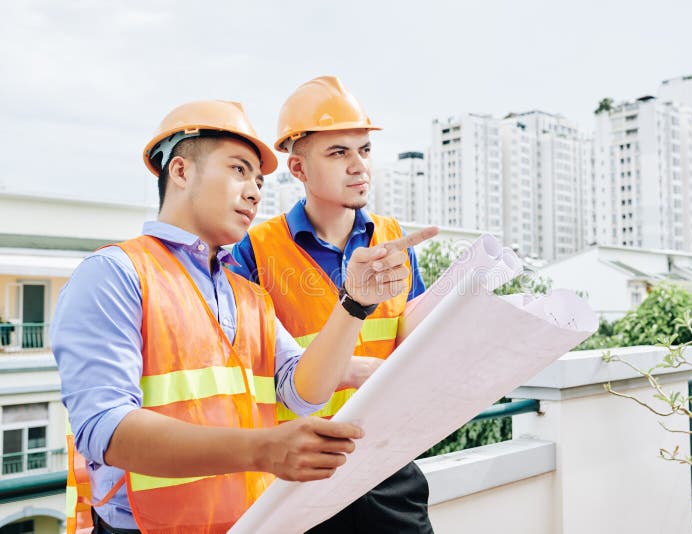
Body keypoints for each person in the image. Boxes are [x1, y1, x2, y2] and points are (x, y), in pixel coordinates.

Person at [53, 99, 435, 534]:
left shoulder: (247, 295)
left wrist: (353, 304)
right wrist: (262, 449)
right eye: (238, 170)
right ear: (180, 172)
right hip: (148, 527)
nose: (254, 191)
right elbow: (105, 428)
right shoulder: (116, 274)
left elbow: (300, 391)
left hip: (248, 523)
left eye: (258, 179)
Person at [231, 76, 435, 534]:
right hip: (299, 470)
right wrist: (348, 370)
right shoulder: (255, 250)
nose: (358, 166)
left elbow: (416, 345)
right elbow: (245, 370)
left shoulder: (393, 241)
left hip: (386, 464)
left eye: (364, 150)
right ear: (298, 169)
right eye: (339, 153)